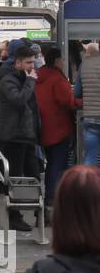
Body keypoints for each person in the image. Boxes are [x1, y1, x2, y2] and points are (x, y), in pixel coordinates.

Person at [0, 43, 42, 232]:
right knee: (15, 177)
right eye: (28, 63)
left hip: (27, 136)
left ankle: (37, 212)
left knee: (34, 174)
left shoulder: (23, 79)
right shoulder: (8, 81)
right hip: (14, 137)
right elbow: (19, 100)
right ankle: (14, 216)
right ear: (17, 63)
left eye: (33, 62)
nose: (32, 66)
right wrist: (30, 82)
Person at [35, 45, 77, 211]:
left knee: (51, 164)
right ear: (58, 60)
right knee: (57, 165)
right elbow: (68, 101)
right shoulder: (58, 79)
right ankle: (53, 200)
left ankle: (49, 199)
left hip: (44, 128)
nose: (64, 62)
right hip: (59, 129)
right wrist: (80, 102)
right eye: (63, 59)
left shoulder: (38, 77)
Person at [75, 42, 100, 168]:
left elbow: (77, 93)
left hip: (90, 116)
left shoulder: (84, 64)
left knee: (90, 156)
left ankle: (90, 186)